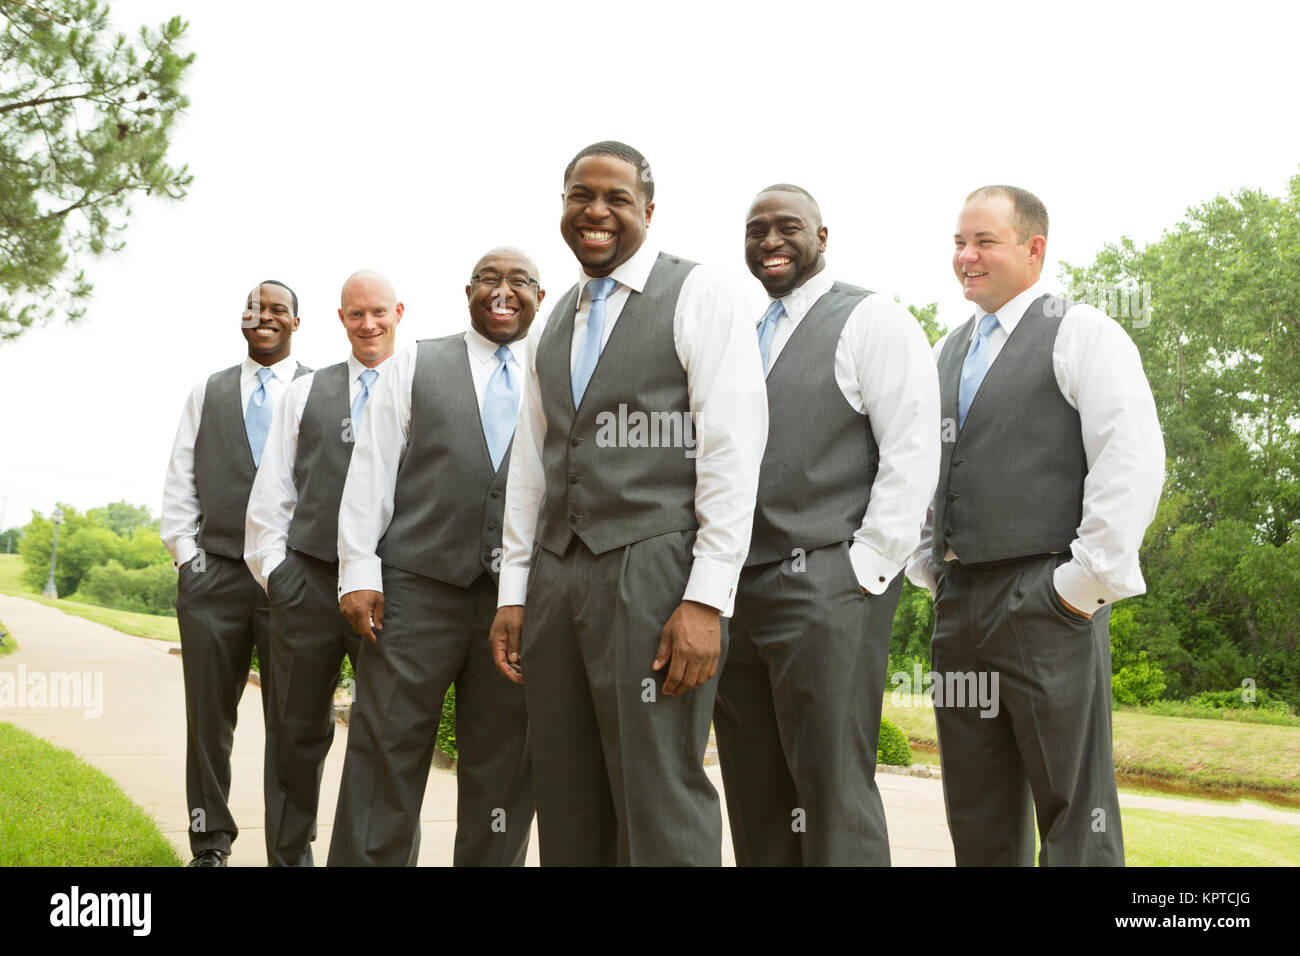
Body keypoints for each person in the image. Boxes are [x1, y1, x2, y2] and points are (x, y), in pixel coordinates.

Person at [490, 141, 768, 866]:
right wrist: (515, 591)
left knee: (658, 796)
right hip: (556, 578)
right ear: (562, 207)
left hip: (653, 572)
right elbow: (532, 466)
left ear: (649, 208)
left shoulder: (699, 293)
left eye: (617, 198)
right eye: (582, 195)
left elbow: (732, 452)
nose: (597, 211)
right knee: (567, 794)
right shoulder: (555, 319)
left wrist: (707, 599)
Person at [906, 185, 1165, 866]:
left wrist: (1077, 588)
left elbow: (1130, 459)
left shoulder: (1083, 332)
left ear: (1033, 249)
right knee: (977, 812)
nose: (966, 256)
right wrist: (929, 569)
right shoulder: (943, 350)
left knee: (1076, 815)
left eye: (983, 241)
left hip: (1046, 602)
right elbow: (920, 472)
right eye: (959, 243)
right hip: (959, 609)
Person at [713, 184, 939, 865]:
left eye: (788, 227)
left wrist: (863, 570)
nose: (771, 241)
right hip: (736, 594)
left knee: (833, 793)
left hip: (829, 587)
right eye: (756, 230)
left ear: (823, 236)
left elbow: (913, 450)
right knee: (755, 796)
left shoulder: (873, 320)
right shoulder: (741, 337)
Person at [327, 252, 539, 867]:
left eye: (518, 281)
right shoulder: (416, 361)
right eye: (490, 281)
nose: (503, 292)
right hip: (415, 589)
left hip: (517, 599)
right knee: (385, 750)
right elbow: (370, 469)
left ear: (540, 296)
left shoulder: (555, 371)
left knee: (505, 765)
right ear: (467, 292)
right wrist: (359, 572)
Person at [243, 270, 400, 866]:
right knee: (293, 736)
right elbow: (272, 495)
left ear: (398, 312)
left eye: (378, 312)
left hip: (386, 588)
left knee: (387, 739)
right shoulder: (304, 394)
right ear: (341, 319)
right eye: (356, 314)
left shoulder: (417, 387)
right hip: (306, 582)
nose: (368, 324)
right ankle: (288, 861)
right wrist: (279, 577)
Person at [161, 280, 310, 867]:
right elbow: (180, 479)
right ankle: (209, 841)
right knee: (208, 718)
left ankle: (290, 851)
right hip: (214, 577)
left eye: (277, 309)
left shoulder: (321, 388)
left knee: (294, 722)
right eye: (254, 308)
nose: (264, 316)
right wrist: (186, 559)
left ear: (297, 322)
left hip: (290, 580)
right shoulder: (208, 390)